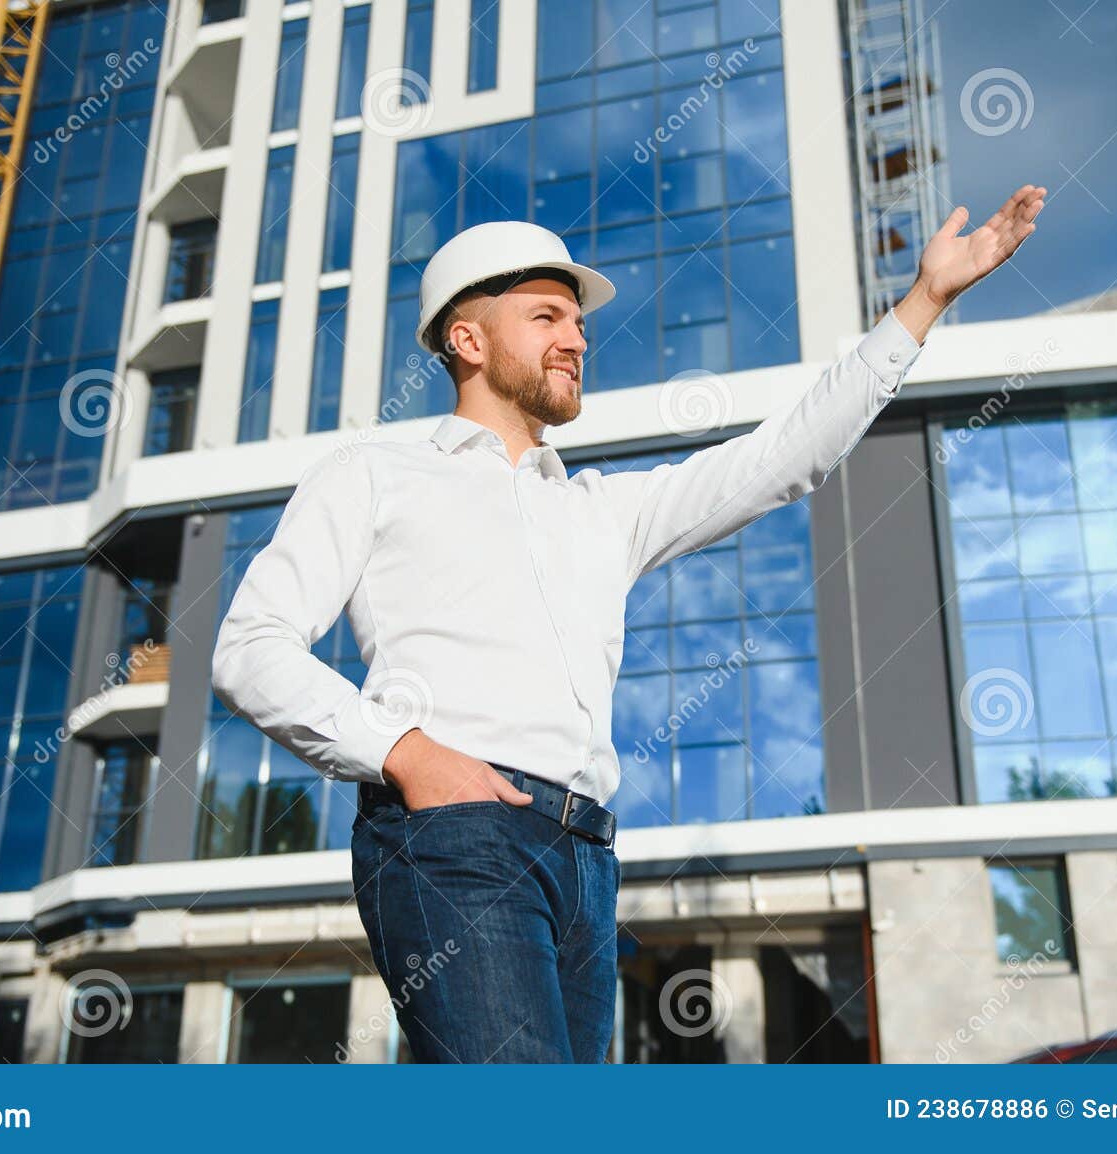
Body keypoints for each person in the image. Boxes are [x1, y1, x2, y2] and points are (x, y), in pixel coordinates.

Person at [211, 186, 1046, 1062]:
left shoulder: (603, 511)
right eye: (546, 318)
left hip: (586, 859)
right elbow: (250, 649)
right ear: (468, 341)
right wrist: (408, 755)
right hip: (455, 837)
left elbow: (782, 458)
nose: (577, 340)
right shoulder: (374, 475)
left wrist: (924, 301)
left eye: (578, 324)